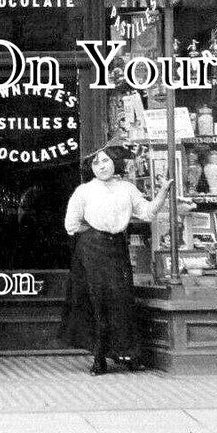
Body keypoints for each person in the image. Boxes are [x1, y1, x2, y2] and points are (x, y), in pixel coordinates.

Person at [59, 144, 189, 375]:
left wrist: (163, 192)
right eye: (96, 162)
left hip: (117, 246)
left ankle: (124, 352)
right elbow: (71, 225)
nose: (101, 166)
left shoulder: (127, 189)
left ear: (114, 163)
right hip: (91, 248)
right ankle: (99, 357)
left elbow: (148, 213)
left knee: (121, 298)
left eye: (106, 161)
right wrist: (94, 232)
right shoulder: (84, 191)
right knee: (97, 300)